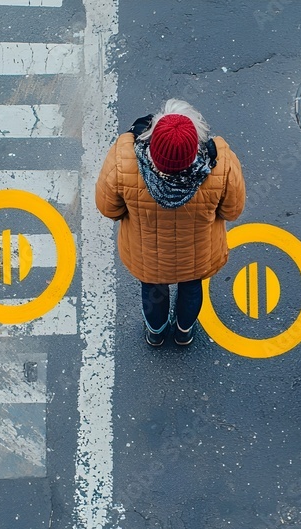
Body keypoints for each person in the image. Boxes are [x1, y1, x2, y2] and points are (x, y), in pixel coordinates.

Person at [96, 99, 246, 346]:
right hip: (197, 255)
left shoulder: (123, 160)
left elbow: (108, 209)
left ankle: (155, 334)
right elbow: (232, 211)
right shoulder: (221, 162)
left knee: (153, 291)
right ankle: (183, 333)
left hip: (147, 256)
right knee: (191, 287)